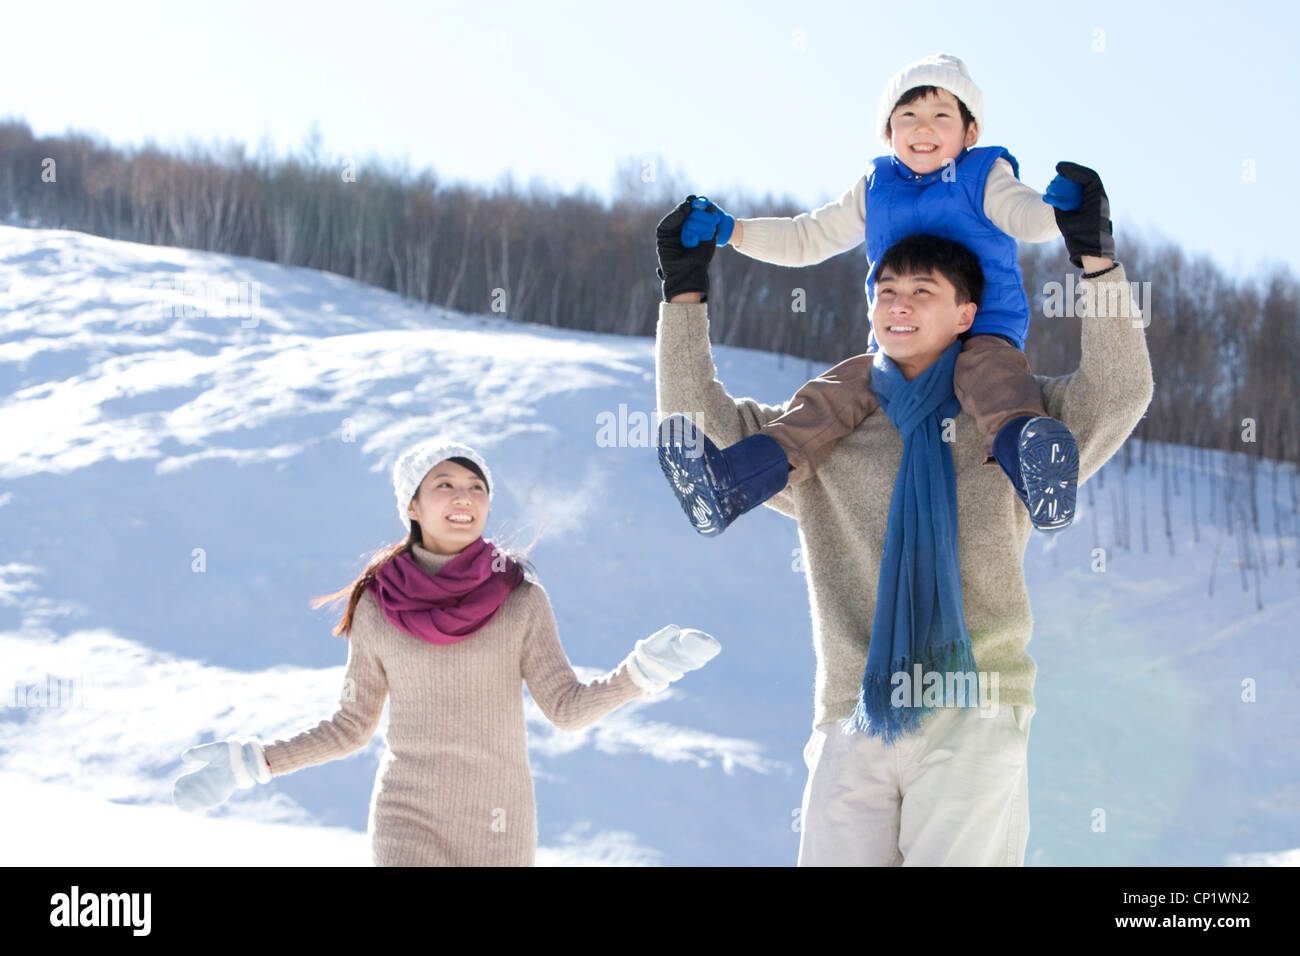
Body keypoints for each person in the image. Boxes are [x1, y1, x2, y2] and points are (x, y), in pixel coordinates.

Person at [652, 173, 1153, 864]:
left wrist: (1097, 263)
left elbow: (1120, 391)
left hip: (973, 708)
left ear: (965, 314)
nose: (900, 304)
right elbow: (700, 429)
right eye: (887, 291)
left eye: (923, 292)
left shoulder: (1019, 426)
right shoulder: (824, 431)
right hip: (853, 714)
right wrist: (684, 293)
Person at [172, 438, 719, 866]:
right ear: (411, 505)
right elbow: (350, 727)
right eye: (445, 484)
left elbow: (566, 708)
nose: (464, 497)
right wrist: (252, 763)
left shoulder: (520, 599)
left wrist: (644, 671)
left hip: (498, 826)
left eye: (477, 486)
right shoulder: (378, 604)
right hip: (406, 816)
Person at [659, 52, 1097, 537]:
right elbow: (810, 236)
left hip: (981, 330)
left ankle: (1037, 467)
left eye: (941, 116)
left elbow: (1020, 214)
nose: (922, 127)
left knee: (995, 383)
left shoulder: (983, 175)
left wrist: (1056, 211)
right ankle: (733, 483)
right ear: (888, 134)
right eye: (907, 116)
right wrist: (735, 230)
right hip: (898, 345)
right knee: (830, 397)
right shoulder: (877, 186)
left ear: (969, 134)